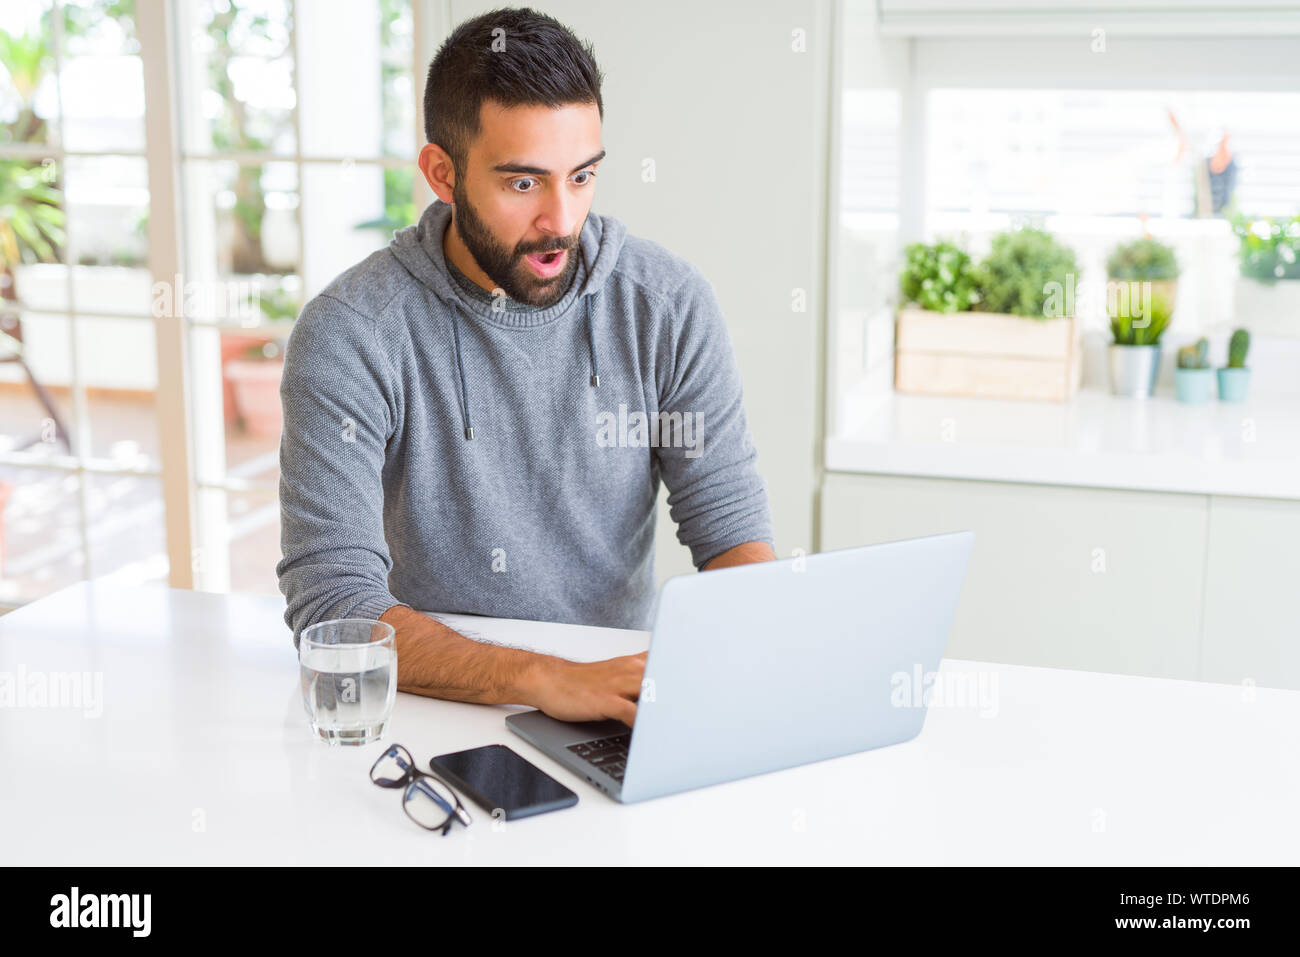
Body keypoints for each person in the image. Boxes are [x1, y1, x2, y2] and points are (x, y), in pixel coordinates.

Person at [276, 8, 776, 728]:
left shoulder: (667, 304)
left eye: (582, 176)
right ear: (442, 173)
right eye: (523, 184)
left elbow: (729, 531)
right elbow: (336, 607)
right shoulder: (352, 333)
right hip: (432, 707)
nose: (561, 220)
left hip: (614, 705)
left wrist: (773, 649)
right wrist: (543, 678)